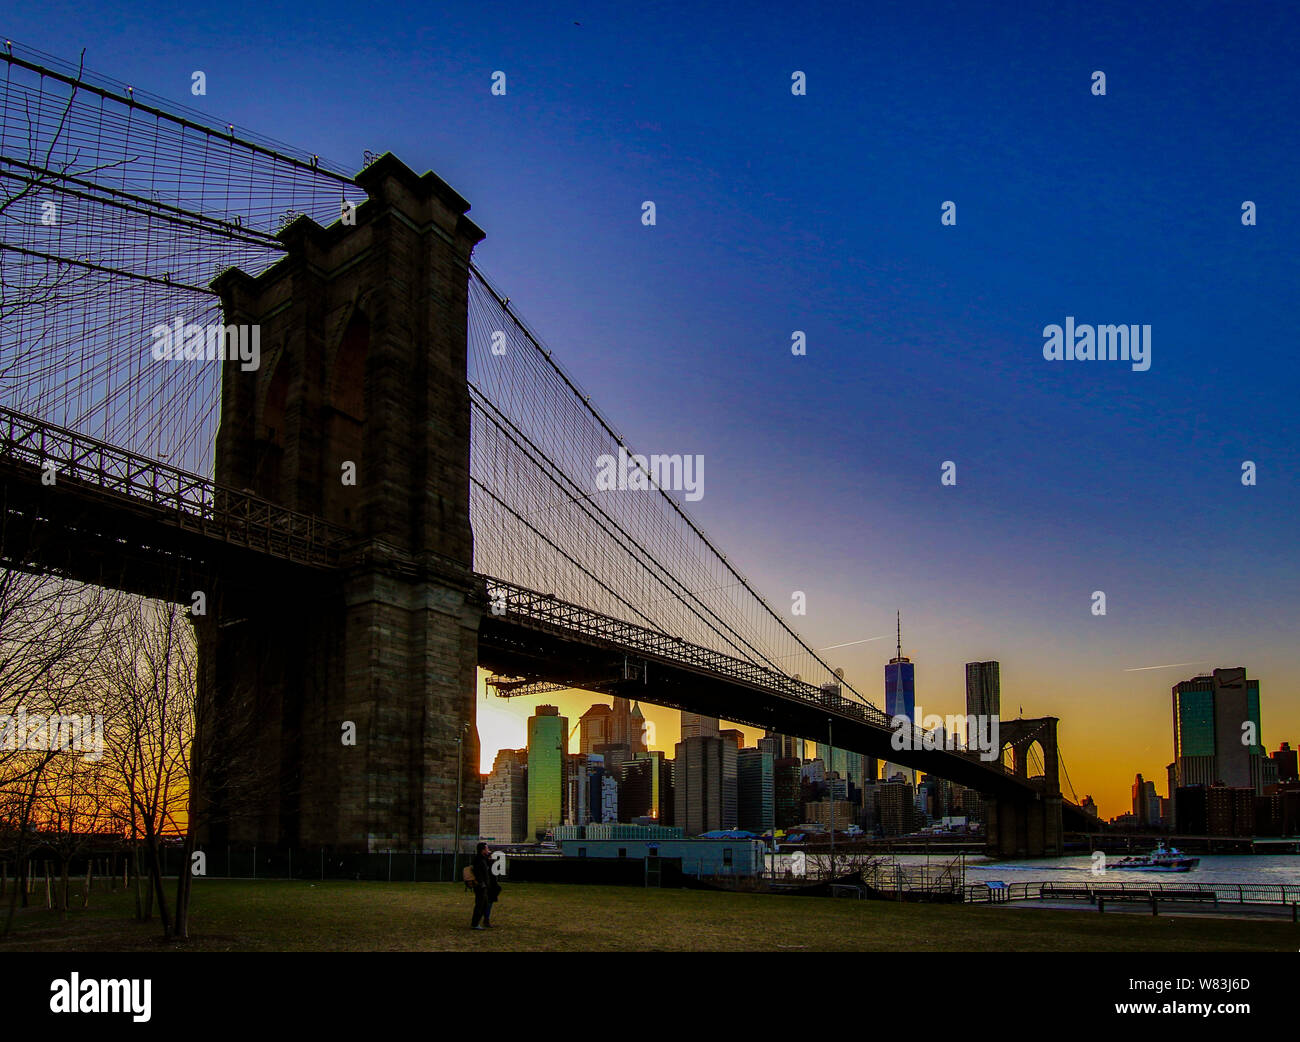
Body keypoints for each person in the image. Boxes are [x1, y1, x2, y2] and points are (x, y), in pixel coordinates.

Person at [469, 842, 501, 929]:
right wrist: (482, 883)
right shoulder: (479, 860)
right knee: (480, 905)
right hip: (481, 886)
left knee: (484, 904)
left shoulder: (482, 859)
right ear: (482, 850)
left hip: (483, 885)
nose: (488, 850)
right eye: (486, 849)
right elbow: (478, 873)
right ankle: (475, 924)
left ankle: (477, 922)